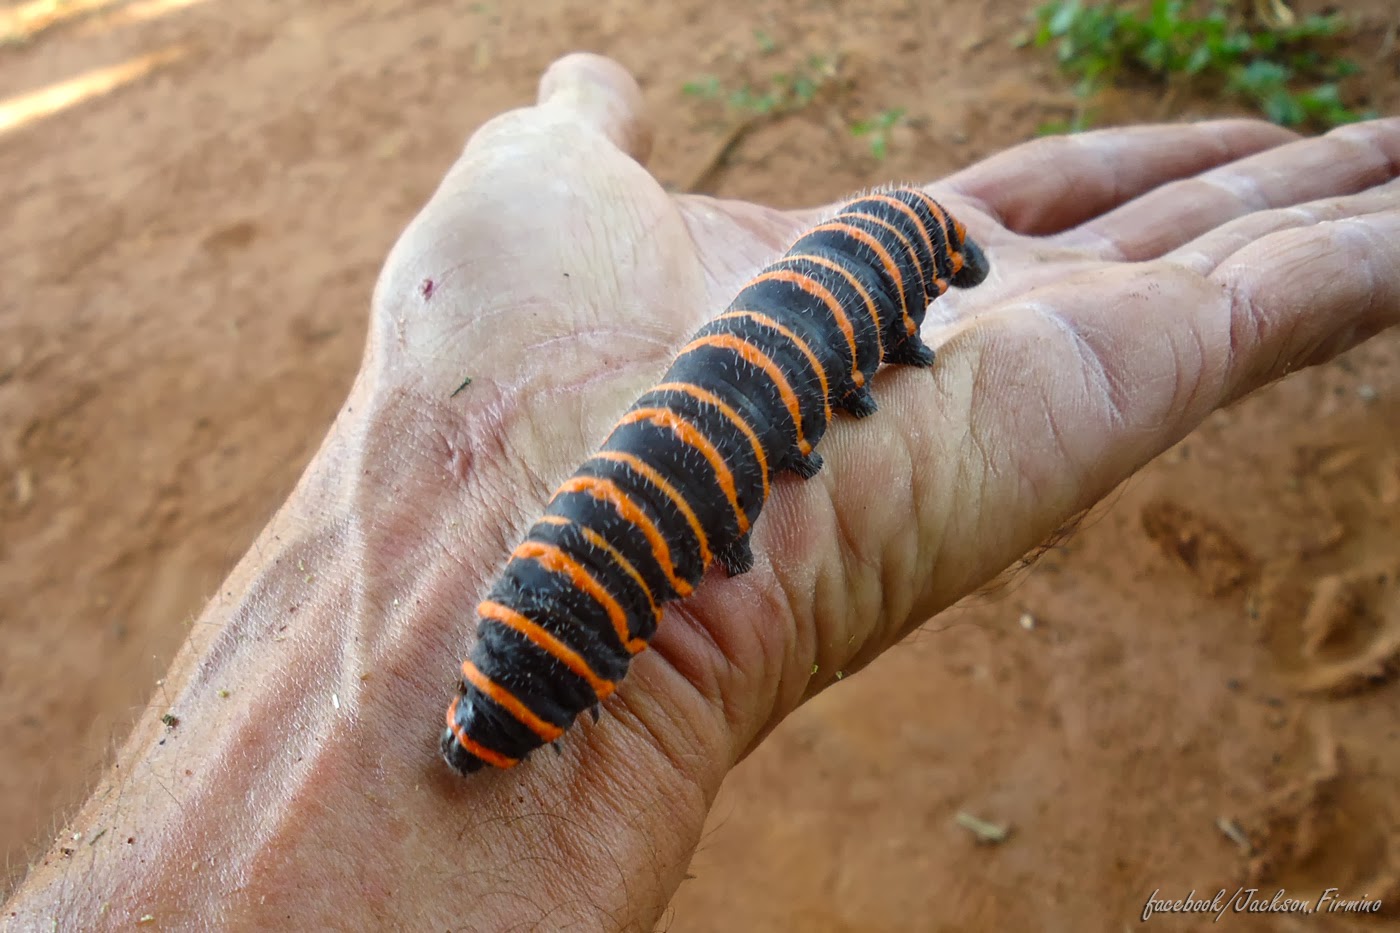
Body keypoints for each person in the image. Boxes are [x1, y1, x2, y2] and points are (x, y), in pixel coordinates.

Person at [6, 52, 1397, 930]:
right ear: (917, 285)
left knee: (694, 454)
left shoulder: (796, 338)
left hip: (587, 572)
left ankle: (523, 676)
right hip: (581, 586)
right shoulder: (868, 317)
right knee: (704, 453)